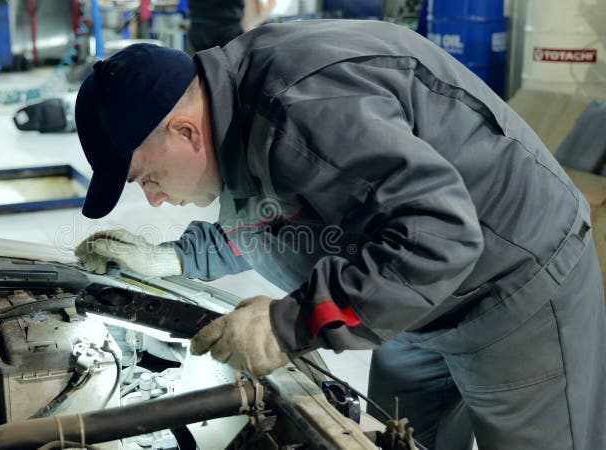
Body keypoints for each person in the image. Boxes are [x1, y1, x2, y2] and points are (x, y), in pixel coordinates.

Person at [73, 20, 606, 450]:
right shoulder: (232, 108)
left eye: (148, 178)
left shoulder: (303, 108)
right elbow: (270, 215)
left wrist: (289, 325)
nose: (154, 198)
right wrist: (175, 259)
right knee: (398, 438)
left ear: (186, 132)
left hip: (514, 288)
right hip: (409, 296)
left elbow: (438, 235)